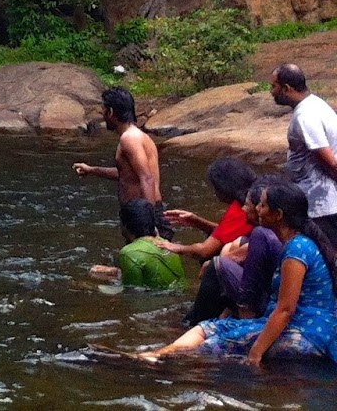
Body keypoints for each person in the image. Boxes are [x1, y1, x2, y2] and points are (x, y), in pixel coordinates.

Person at [142, 180, 337, 366]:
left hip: (306, 331)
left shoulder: (297, 249)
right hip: (301, 325)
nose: (257, 210)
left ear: (278, 214)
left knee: (212, 344)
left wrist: (255, 354)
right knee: (208, 327)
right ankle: (158, 354)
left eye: (262, 205)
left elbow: (286, 310)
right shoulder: (296, 243)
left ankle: (164, 362)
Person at [175, 173, 287, 326]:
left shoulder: (263, 234)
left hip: (269, 305)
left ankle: (194, 322)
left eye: (249, 205)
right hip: (273, 297)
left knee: (217, 265)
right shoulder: (279, 230)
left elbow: (250, 284)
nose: (243, 209)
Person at [72, 87, 168, 235]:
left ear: (110, 112)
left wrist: (148, 222)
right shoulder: (137, 136)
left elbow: (147, 178)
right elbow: (128, 174)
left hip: (142, 215)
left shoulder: (129, 139)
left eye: (103, 110)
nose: (103, 115)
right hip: (141, 213)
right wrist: (92, 170)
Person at [271, 63, 337, 242]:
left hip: (322, 204)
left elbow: (330, 162)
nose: (271, 92)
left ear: (286, 88)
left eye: (273, 86)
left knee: (328, 257)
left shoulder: (305, 116)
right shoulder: (315, 104)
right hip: (322, 200)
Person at [162, 157, 257, 262]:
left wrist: (176, 247)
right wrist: (197, 221)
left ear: (223, 187)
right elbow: (226, 233)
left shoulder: (241, 210)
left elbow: (205, 251)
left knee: (212, 259)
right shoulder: (250, 198)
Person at [90, 199, 185, 289]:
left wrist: (88, 286)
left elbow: (132, 292)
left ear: (125, 226)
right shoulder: (168, 245)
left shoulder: (129, 253)